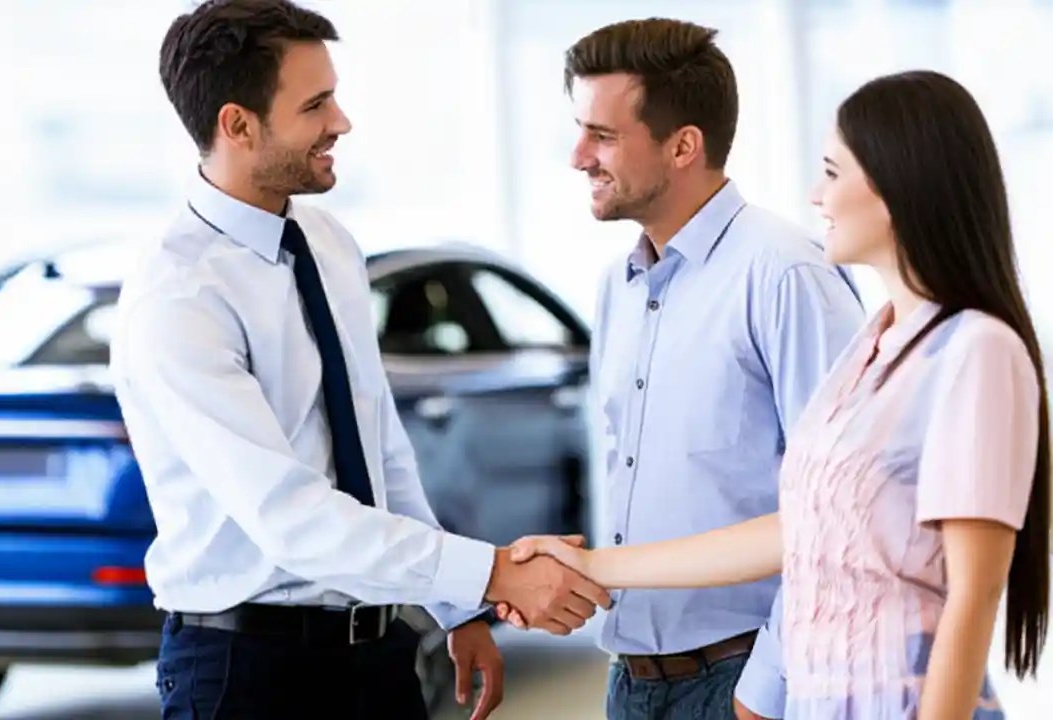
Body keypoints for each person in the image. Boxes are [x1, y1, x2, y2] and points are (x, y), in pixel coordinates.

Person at [108, 1, 611, 718]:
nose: (341, 121)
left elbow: (379, 452)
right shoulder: (179, 297)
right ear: (237, 124)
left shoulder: (329, 245)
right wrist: (494, 572)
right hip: (245, 674)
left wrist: (455, 607)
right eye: (315, 104)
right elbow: (291, 519)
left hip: (373, 657)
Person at [509, 69, 1050, 718]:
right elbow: (799, 532)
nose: (815, 195)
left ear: (900, 184)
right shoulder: (871, 349)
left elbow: (974, 594)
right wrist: (596, 566)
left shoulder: (975, 350)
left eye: (832, 171)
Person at [497, 17, 865, 720]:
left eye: (601, 135)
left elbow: (844, 512)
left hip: (745, 680)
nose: (578, 156)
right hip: (631, 681)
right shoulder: (618, 285)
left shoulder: (785, 275)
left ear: (683, 146)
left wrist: (767, 690)